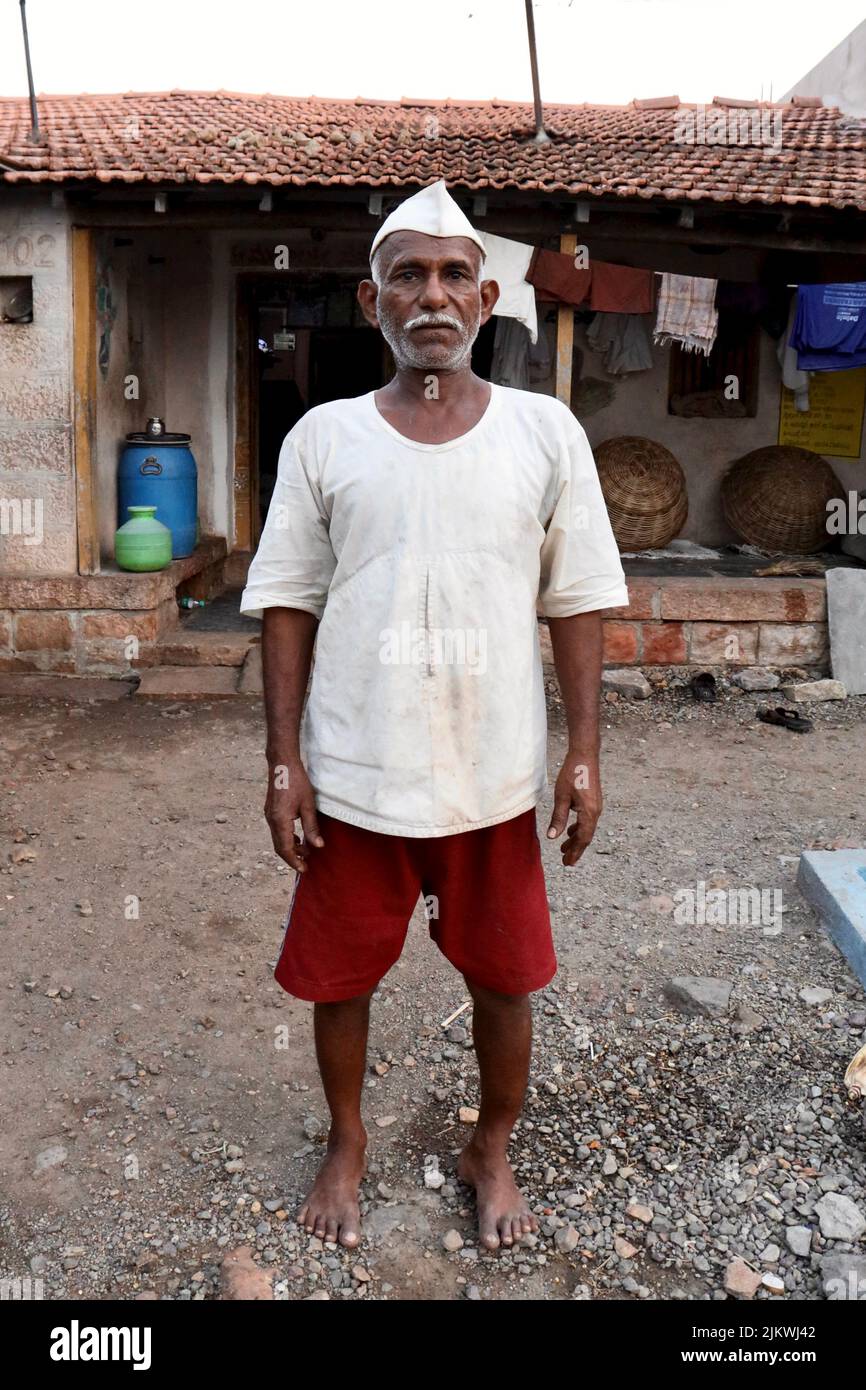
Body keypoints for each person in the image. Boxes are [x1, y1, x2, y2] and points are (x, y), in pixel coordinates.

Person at [240, 180, 629, 1253]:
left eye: (453, 274)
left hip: (491, 775)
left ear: (487, 296)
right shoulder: (323, 439)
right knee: (338, 980)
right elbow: (286, 603)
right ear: (372, 303)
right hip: (357, 774)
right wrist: (284, 766)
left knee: (505, 980)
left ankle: (489, 1145)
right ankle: (347, 1139)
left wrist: (583, 756)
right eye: (406, 274)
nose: (431, 295)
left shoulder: (544, 435)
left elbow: (579, 600)